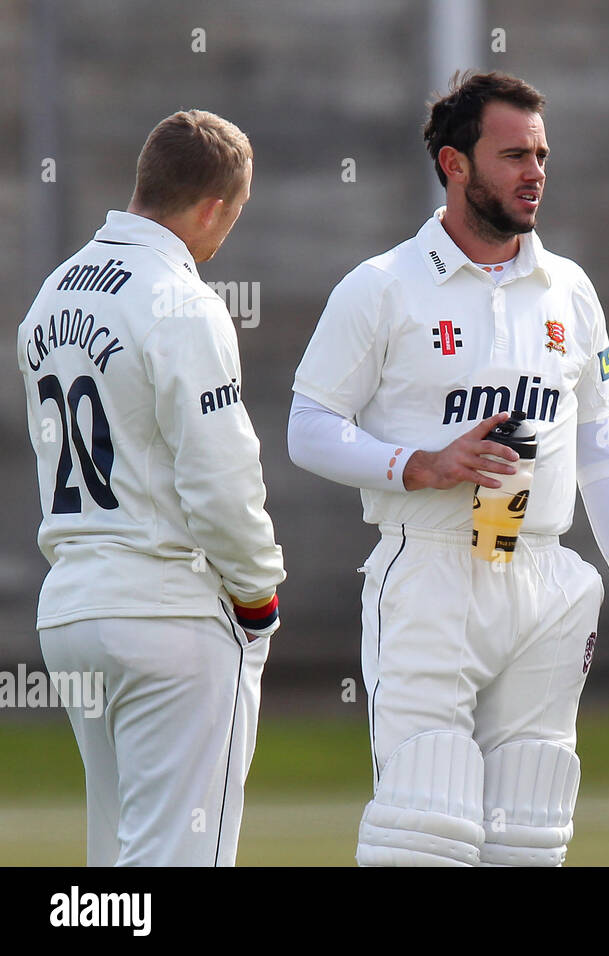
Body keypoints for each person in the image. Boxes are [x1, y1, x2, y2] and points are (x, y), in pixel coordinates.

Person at [288, 71, 609, 867]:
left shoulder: (568, 288)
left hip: (543, 582)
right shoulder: (382, 287)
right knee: (422, 829)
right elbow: (309, 428)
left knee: (527, 837)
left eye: (541, 155)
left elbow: (605, 442)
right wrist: (417, 464)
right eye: (512, 156)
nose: (534, 173)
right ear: (454, 165)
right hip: (429, 575)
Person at [18, 110, 285, 866]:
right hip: (169, 611)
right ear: (212, 208)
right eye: (231, 216)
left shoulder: (50, 295)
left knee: (119, 873)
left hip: (73, 607)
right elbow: (220, 476)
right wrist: (259, 595)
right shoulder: (184, 300)